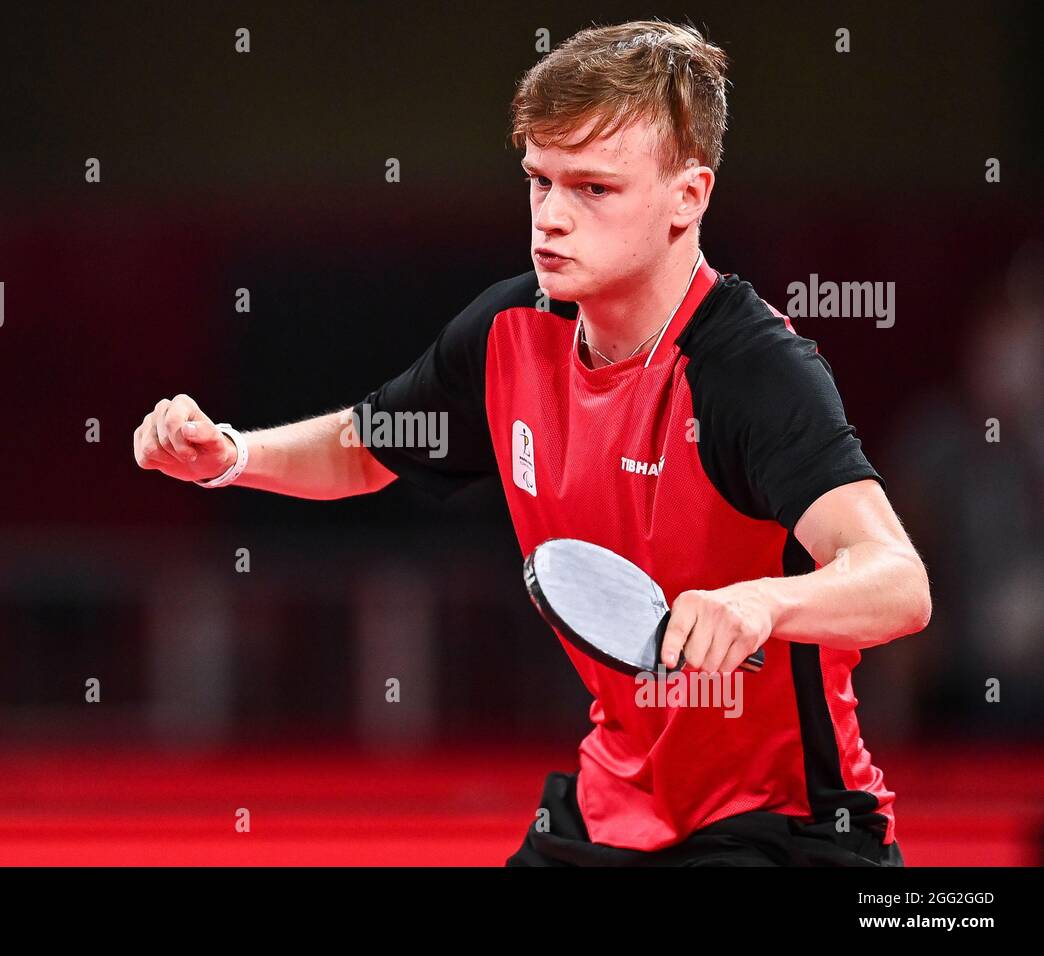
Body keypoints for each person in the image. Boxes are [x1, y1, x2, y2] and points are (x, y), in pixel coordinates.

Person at [132, 20, 930, 866]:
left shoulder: (751, 371)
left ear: (688, 197)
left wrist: (761, 603)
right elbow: (367, 448)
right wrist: (232, 457)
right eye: (538, 181)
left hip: (786, 825)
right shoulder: (512, 329)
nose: (550, 219)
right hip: (608, 804)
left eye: (593, 189)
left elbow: (898, 584)